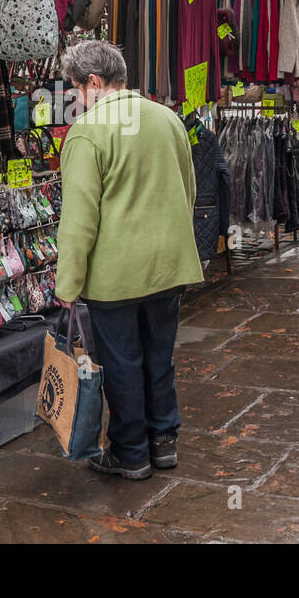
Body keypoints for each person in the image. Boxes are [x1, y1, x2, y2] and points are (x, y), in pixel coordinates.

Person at [55, 40, 203, 479]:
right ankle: (163, 442)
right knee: (160, 357)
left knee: (122, 362)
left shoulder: (87, 131)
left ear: (94, 84)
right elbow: (189, 191)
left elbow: (79, 220)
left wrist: (67, 284)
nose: (75, 99)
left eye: (76, 90)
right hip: (168, 266)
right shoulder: (167, 119)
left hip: (116, 275)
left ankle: (131, 453)